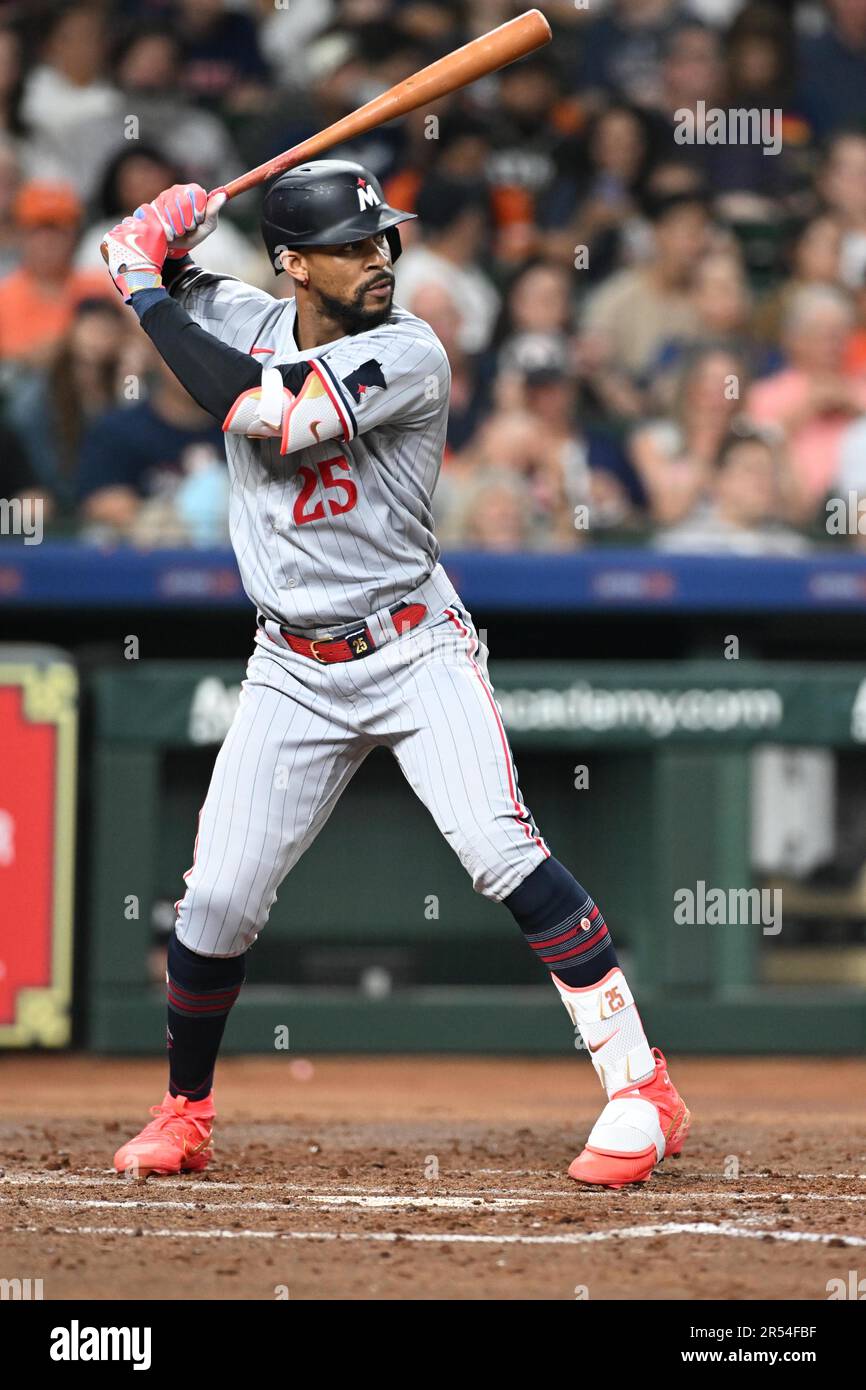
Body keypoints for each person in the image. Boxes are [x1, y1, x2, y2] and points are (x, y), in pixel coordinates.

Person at [104, 159, 690, 1189]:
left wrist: (142, 284)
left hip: (413, 643)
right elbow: (184, 292)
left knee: (498, 849)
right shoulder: (245, 312)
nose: (377, 260)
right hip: (291, 661)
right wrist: (164, 233)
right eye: (349, 246)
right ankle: (184, 1110)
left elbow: (260, 410)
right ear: (291, 263)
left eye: (382, 240)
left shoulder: (409, 351)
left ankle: (640, 1086)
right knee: (217, 901)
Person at [654, 425, 807, 555]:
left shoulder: (791, 550)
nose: (764, 481)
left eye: (771, 472)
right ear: (718, 479)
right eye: (752, 470)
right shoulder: (682, 548)